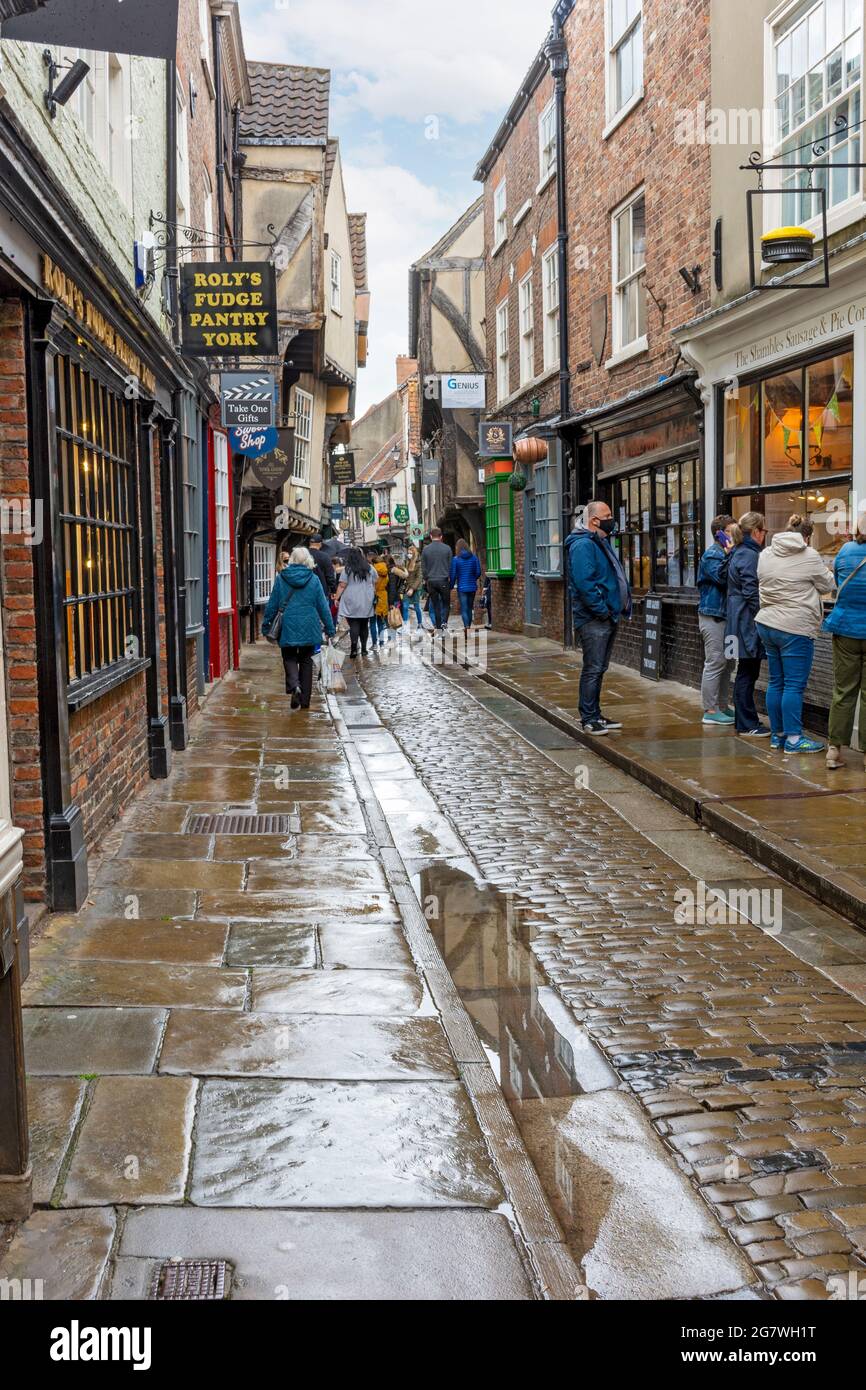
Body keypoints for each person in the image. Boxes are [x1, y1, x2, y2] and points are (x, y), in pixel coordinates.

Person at [755, 513, 834, 754]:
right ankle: (793, 739)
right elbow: (828, 584)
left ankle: (777, 736)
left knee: (776, 682)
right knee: (793, 686)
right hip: (794, 627)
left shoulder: (765, 553)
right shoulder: (808, 555)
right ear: (807, 536)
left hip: (767, 623)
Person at [564, 501, 632, 736]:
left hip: (606, 615)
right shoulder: (583, 545)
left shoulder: (598, 542)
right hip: (594, 618)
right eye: (608, 515)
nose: (612, 519)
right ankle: (589, 718)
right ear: (594, 520)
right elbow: (585, 584)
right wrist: (602, 610)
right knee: (593, 668)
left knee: (599, 667)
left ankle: (596, 714)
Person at [262, 545, 335, 709]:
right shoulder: (314, 579)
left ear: (293, 560)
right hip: (310, 626)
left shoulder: (282, 578)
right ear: (308, 560)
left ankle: (295, 685)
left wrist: (266, 625)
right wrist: (330, 629)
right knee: (306, 661)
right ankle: (305, 701)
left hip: (287, 625)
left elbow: (272, 604)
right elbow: (323, 607)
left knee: (289, 657)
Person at [825, 517, 866, 770]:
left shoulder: (845, 551)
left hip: (845, 630)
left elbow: (838, 583)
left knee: (843, 691)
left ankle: (833, 750)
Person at [726, 512, 770, 738]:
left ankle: (744, 720)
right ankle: (747, 723)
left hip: (740, 618)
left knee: (745, 671)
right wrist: (762, 615)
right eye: (764, 531)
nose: (764, 536)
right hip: (746, 621)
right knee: (747, 671)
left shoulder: (740, 551)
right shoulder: (749, 555)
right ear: (756, 532)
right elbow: (751, 591)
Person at [697, 514, 736, 726]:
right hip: (713, 616)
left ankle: (723, 705)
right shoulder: (712, 555)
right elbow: (722, 578)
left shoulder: (727, 553)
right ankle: (710, 710)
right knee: (715, 662)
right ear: (719, 534)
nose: (736, 535)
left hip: (728, 618)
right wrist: (730, 554)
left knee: (728, 664)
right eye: (731, 531)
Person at [335, 547, 376, 658]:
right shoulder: (369, 567)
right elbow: (374, 581)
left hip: (351, 599)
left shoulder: (347, 569)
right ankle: (363, 649)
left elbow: (342, 585)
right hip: (366, 599)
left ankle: (354, 649)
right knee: (364, 624)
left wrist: (336, 598)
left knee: (354, 624)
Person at [422, 527, 453, 631]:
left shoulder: (426, 550)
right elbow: (450, 566)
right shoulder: (447, 548)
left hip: (431, 581)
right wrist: (450, 580)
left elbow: (424, 567)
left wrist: (426, 580)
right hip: (444, 580)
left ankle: (439, 628)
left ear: (431, 536)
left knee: (436, 606)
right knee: (446, 604)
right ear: (441, 536)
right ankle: (444, 622)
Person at [450, 539, 482, 632]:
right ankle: (469, 627)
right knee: (469, 607)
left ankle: (466, 627)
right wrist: (473, 578)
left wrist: (451, 585)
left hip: (462, 587)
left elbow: (453, 575)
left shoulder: (456, 559)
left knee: (464, 608)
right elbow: (478, 572)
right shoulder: (474, 557)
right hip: (472, 586)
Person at [368, 548, 389, 648]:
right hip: (383, 596)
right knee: (380, 621)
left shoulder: (371, 569)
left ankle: (374, 643)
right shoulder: (385, 569)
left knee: (372, 622)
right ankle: (381, 642)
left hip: (372, 596)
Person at [402, 544, 425, 633]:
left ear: (414, 554)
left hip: (415, 589)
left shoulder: (418, 563)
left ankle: (419, 624)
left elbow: (419, 577)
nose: (409, 554)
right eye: (408, 553)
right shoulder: (406, 562)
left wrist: (412, 589)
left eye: (411, 553)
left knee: (417, 607)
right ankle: (405, 626)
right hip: (406, 588)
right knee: (405, 607)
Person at [308, 534, 337, 599]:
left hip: (305, 592)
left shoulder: (302, 555)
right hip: (321, 591)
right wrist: (333, 591)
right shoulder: (324, 556)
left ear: (310, 543)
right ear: (320, 544)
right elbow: (330, 576)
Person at [387, 553, 408, 634]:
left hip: (392, 596)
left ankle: (396, 628)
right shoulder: (394, 570)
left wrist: (391, 601)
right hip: (395, 596)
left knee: (395, 612)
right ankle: (398, 628)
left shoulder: (390, 571)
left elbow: (392, 587)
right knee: (397, 612)